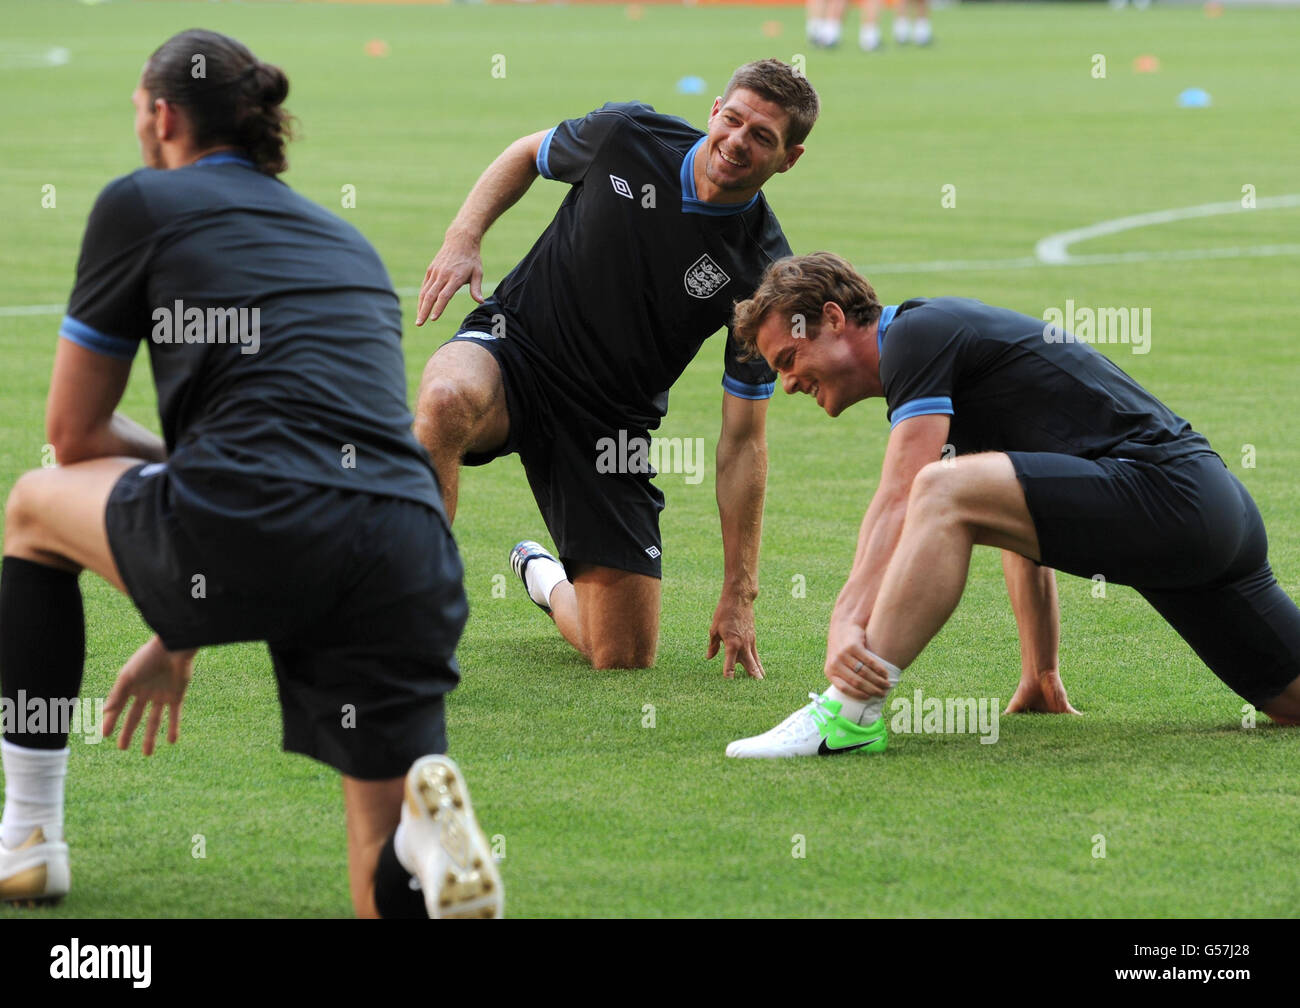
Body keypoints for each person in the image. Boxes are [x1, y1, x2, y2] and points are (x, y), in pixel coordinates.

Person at [0, 29, 502, 918]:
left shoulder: (142, 203)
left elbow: (73, 436)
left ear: (161, 116)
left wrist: (192, 585)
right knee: (375, 852)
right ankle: (423, 850)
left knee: (34, 506)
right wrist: (182, 619)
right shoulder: (343, 240)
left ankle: (30, 837)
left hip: (252, 522)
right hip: (407, 540)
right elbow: (307, 465)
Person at [724, 252, 1300, 757]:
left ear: (832, 319)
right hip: (1209, 519)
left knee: (939, 487)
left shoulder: (915, 337)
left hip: (1174, 495)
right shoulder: (943, 371)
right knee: (1291, 706)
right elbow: (1024, 528)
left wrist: (847, 616)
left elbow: (904, 492)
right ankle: (873, 711)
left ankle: (846, 716)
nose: (790, 382)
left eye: (789, 359)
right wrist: (1041, 671)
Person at [413, 61, 819, 676]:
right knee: (446, 398)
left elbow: (743, 442)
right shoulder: (627, 136)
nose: (737, 142)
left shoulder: (762, 278)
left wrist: (740, 592)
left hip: (609, 428)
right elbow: (526, 152)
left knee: (624, 656)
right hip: (514, 350)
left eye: (762, 137)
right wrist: (463, 236)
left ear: (790, 159)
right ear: (714, 111)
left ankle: (544, 578)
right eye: (732, 120)